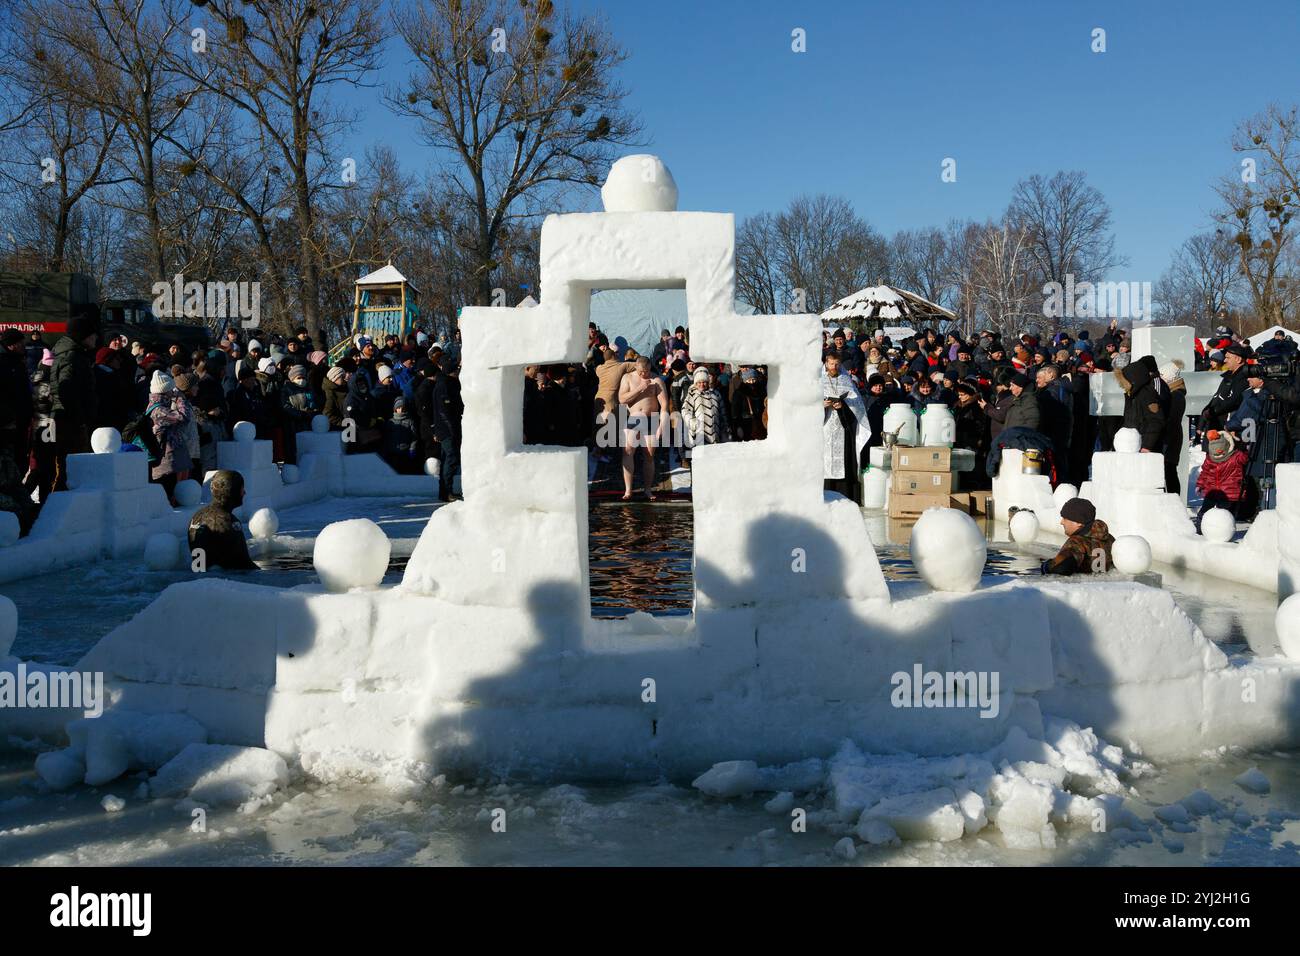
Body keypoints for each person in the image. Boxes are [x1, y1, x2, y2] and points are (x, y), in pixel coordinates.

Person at [50, 307, 100, 490]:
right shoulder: (72, 357)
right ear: (83, 336)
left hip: (69, 419)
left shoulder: (74, 355)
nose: (95, 338)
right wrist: (79, 417)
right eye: (93, 335)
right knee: (72, 469)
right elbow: (65, 388)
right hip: (69, 422)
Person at [617, 355, 668, 501]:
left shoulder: (656, 380)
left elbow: (664, 405)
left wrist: (662, 425)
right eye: (640, 372)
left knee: (649, 455)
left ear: (650, 368)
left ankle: (647, 489)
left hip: (651, 419)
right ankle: (628, 490)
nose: (643, 374)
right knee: (627, 451)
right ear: (636, 368)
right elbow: (622, 399)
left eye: (645, 372)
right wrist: (640, 388)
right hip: (633, 418)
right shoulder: (627, 378)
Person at [187, 469, 257, 570]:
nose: (244, 493)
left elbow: (199, 566)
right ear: (232, 491)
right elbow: (245, 564)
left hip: (201, 577)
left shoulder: (197, 516)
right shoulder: (228, 521)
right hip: (224, 581)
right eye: (242, 489)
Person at [146, 370, 192, 505]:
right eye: (171, 389)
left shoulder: (159, 407)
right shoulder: (159, 411)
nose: (173, 392)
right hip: (166, 459)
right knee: (169, 495)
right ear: (164, 391)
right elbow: (183, 417)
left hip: (169, 457)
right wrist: (180, 399)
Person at [1039, 497, 1114, 575]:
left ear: (1079, 523)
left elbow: (1061, 568)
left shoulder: (1076, 542)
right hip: (1104, 586)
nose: (1061, 522)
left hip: (1082, 586)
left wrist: (1046, 566)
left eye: (1065, 518)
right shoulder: (1110, 539)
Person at [1195, 430, 1249, 532]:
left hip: (1228, 493)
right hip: (1211, 491)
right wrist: (1200, 484)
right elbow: (1205, 472)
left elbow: (1245, 458)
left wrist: (1242, 447)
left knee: (1224, 515)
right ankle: (1199, 530)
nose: (1218, 457)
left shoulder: (1236, 456)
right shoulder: (1209, 458)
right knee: (1203, 512)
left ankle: (1222, 532)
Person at [1114, 354, 1167, 453]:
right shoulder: (1131, 394)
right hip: (1132, 444)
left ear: (1132, 380)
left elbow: (1155, 420)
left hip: (1145, 447)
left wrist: (1147, 445)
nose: (1121, 384)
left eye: (1124, 381)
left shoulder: (1147, 394)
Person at [680, 367, 730, 466]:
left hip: (715, 434)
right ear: (695, 383)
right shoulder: (692, 394)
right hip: (699, 434)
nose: (702, 384)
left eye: (704, 382)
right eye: (699, 382)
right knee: (700, 462)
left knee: (714, 461)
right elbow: (685, 411)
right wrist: (692, 422)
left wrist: (726, 427)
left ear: (708, 382)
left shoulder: (716, 394)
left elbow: (722, 412)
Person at [1158, 361, 1188, 495]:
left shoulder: (1176, 395)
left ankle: (1174, 500)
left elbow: (1173, 420)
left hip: (1171, 437)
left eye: (1163, 375)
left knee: (1169, 471)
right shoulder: (1174, 393)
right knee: (1168, 471)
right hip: (1171, 436)